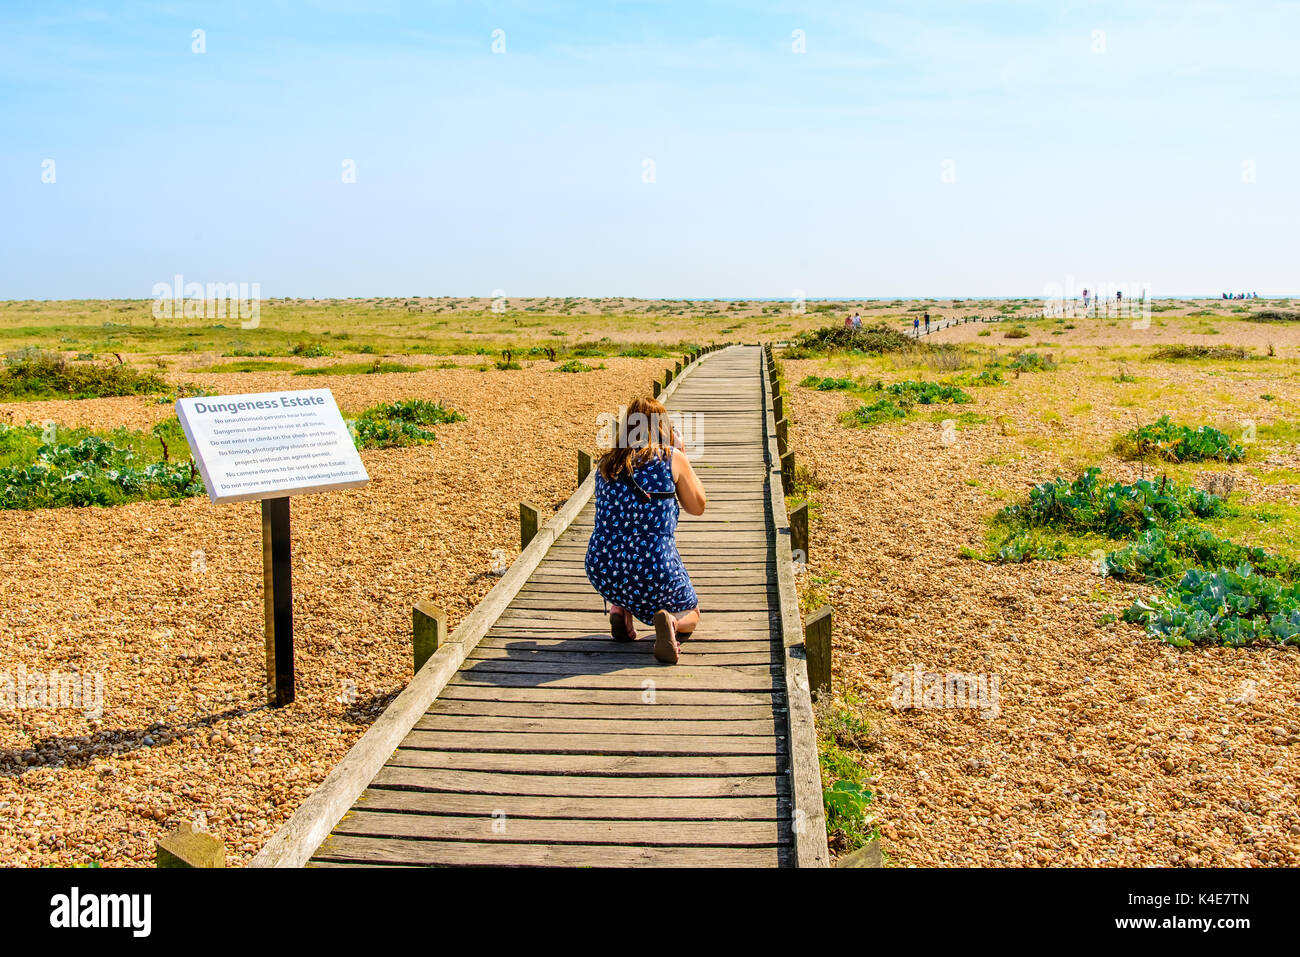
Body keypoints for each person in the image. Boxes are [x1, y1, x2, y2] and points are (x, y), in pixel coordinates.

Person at [585, 396, 707, 664]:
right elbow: (697, 506)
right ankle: (672, 624)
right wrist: (682, 453)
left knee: (626, 569)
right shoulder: (670, 458)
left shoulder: (606, 464)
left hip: (602, 565)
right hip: (653, 566)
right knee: (693, 611)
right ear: (664, 428)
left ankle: (619, 608)